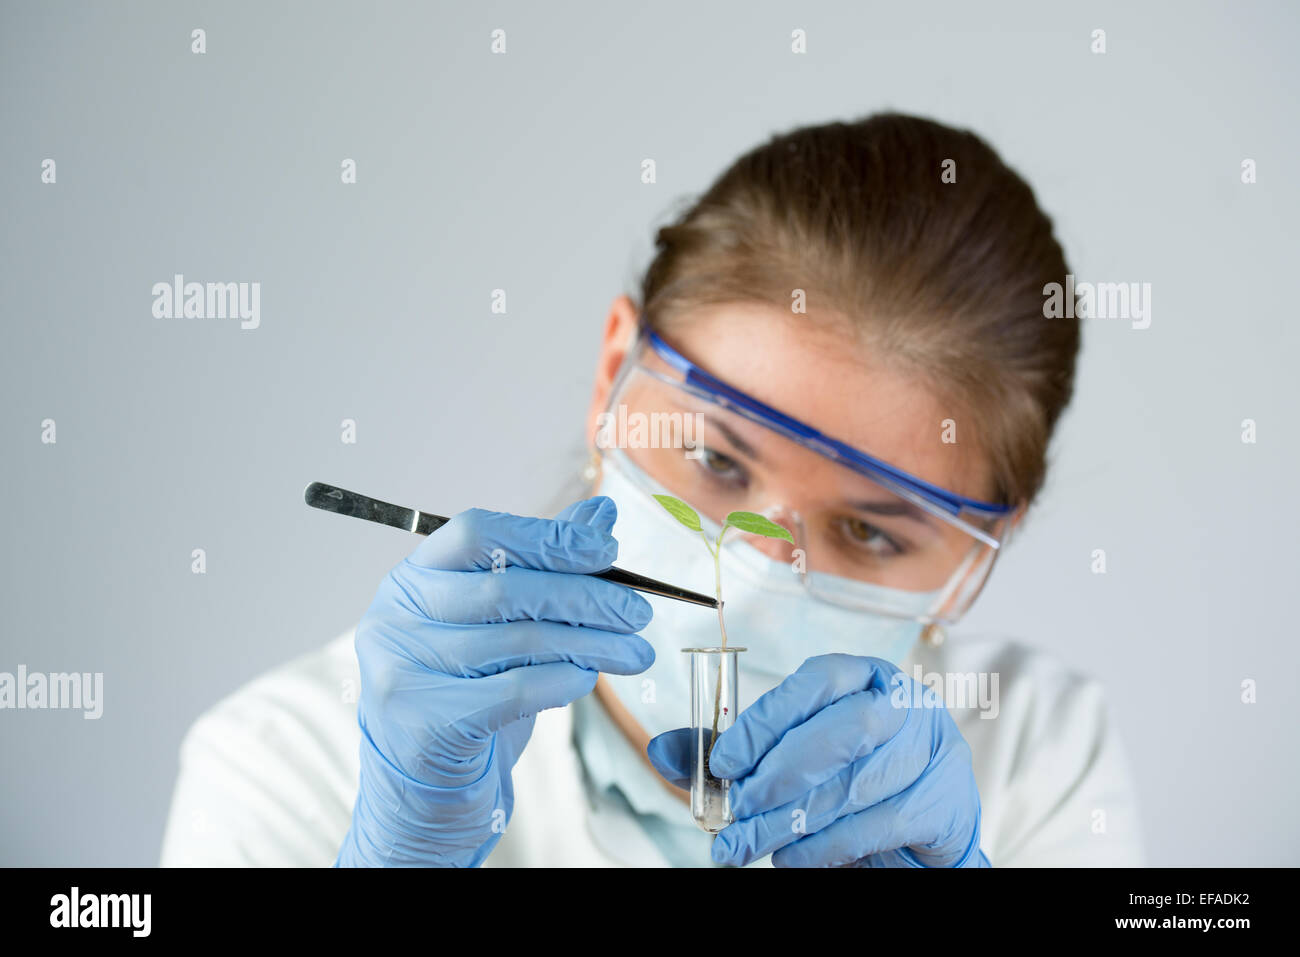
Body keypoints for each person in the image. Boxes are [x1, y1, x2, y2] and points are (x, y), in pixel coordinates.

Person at [159, 113, 1144, 867]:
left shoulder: (1031, 757)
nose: (753, 585)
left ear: (978, 561)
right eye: (717, 463)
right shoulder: (292, 760)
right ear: (612, 378)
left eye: (867, 533)